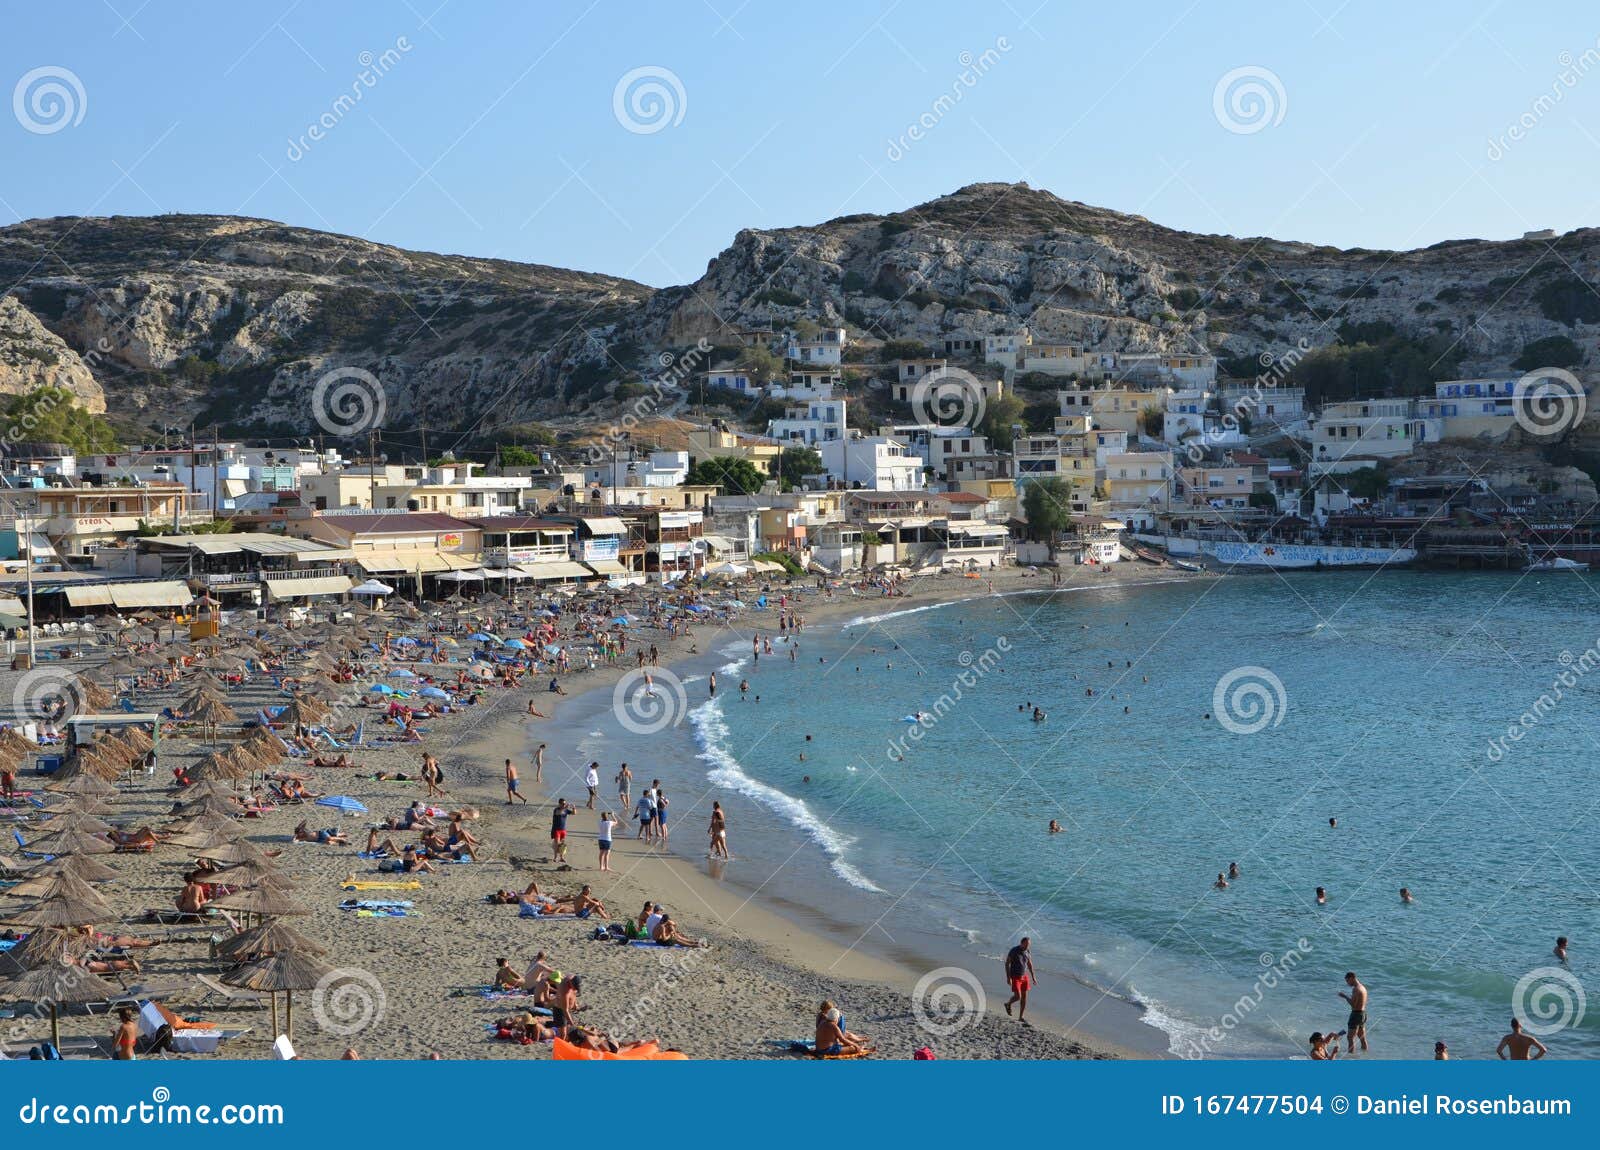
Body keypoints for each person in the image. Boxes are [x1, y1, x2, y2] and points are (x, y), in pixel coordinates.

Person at [1003, 937, 1036, 1023]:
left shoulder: (1027, 951)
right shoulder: (1014, 950)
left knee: (1024, 998)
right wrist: (1008, 977)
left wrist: (1033, 977)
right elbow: (1007, 963)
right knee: (1018, 996)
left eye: (1029, 945)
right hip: (1015, 976)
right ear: (1021, 943)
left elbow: (1029, 964)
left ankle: (1021, 1017)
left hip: (1024, 976)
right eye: (1026, 944)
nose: (1027, 946)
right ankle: (1008, 1004)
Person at [1338, 972, 1368, 1054]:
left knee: (1350, 1038)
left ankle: (1351, 1058)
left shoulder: (1356, 989)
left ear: (1352, 978)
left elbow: (1353, 1004)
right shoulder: (1363, 988)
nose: (1347, 983)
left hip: (1356, 1014)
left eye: (1347, 981)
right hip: (1363, 1013)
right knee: (1362, 1038)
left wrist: (1344, 996)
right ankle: (1365, 1056)